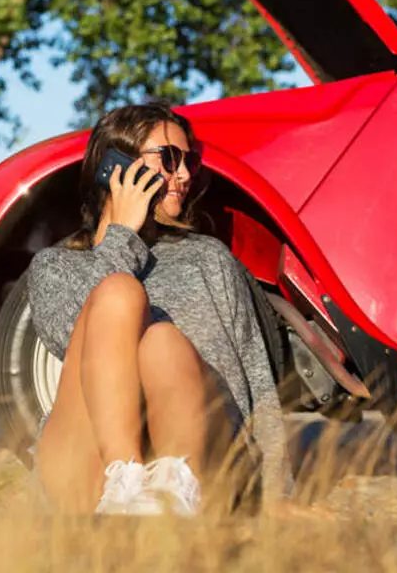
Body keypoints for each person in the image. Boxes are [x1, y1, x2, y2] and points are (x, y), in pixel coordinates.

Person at [23, 102, 285, 515]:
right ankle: (125, 482)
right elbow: (81, 341)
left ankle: (167, 497)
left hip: (203, 460)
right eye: (169, 159)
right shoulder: (55, 267)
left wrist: (277, 497)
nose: (184, 175)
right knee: (118, 294)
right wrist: (123, 235)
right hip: (89, 472)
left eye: (189, 161)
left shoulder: (207, 258)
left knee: (161, 342)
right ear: (117, 167)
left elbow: (256, 379)